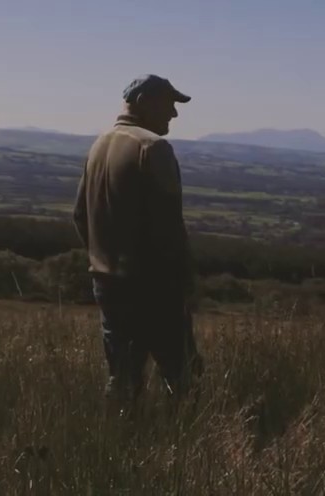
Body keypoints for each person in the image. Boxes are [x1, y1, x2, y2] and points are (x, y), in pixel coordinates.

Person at [72, 74, 202, 408]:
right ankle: (182, 447)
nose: (173, 114)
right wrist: (186, 284)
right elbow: (170, 228)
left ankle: (120, 442)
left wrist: (101, 258)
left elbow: (79, 216)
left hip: (106, 282)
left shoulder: (98, 144)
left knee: (122, 378)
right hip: (153, 286)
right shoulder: (153, 148)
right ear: (143, 102)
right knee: (183, 378)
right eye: (169, 104)